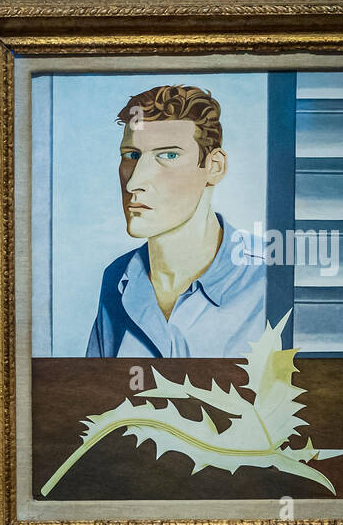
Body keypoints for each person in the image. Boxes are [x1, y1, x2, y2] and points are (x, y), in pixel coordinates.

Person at [85, 85, 266, 358]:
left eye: (168, 155)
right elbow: (98, 396)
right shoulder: (118, 277)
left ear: (214, 167)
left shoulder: (269, 276)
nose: (135, 182)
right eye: (132, 156)